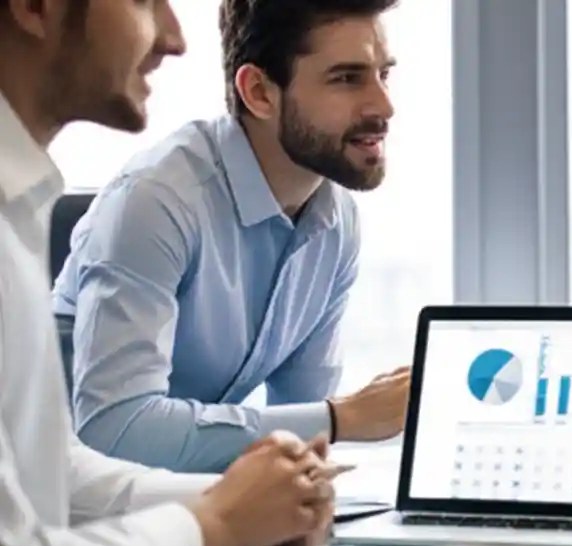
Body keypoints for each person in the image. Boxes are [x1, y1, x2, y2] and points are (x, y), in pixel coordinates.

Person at [0, 0, 335, 546]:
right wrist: (211, 525)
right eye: (144, 1)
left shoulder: (18, 205)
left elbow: (51, 475)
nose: (174, 38)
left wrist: (251, 504)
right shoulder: (152, 195)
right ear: (36, 7)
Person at [50, 0, 409, 474]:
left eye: (384, 74)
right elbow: (114, 431)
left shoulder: (335, 221)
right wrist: (344, 418)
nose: (383, 106)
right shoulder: (157, 200)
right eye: (347, 78)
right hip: (57, 496)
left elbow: (302, 436)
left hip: (184, 497)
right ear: (259, 92)